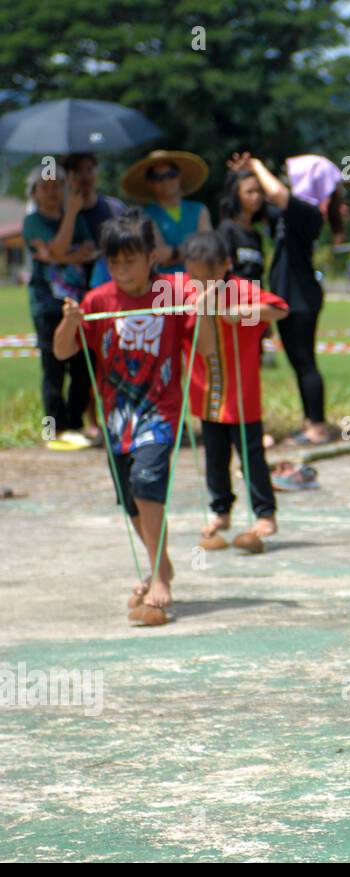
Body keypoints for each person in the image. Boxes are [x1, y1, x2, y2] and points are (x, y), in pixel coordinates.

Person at [52, 211, 195, 616]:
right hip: (116, 416)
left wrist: (206, 308)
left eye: (129, 261)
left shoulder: (172, 293)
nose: (121, 270)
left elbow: (205, 332)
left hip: (160, 411)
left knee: (147, 482)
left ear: (152, 257)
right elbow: (64, 350)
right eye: (113, 262)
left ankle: (160, 576)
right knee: (130, 498)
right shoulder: (98, 300)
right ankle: (160, 562)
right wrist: (69, 322)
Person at [180, 232, 289, 550]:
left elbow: (280, 309)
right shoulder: (185, 294)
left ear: (227, 265)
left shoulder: (242, 291)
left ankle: (265, 514)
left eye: (209, 276)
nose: (202, 283)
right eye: (195, 276)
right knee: (215, 457)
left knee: (251, 457)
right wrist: (200, 310)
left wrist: (241, 313)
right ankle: (221, 511)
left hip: (242, 397)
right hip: (206, 394)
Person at [231, 152, 347, 445]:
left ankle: (317, 426)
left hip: (302, 299)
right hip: (291, 298)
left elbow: (277, 194)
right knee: (299, 362)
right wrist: (242, 180)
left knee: (306, 362)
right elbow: (256, 204)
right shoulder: (290, 213)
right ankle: (310, 422)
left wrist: (257, 164)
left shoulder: (306, 211)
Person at [23, 164, 98, 447]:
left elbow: (87, 250)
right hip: (47, 306)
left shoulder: (75, 218)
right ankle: (50, 428)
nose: (53, 192)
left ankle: (74, 426)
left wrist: (58, 254)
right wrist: (65, 251)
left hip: (78, 305)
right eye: (46, 187)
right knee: (52, 369)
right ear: (35, 192)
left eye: (58, 186)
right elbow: (56, 249)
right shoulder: (33, 222)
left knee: (81, 367)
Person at [216, 164, 274, 368]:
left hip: (254, 307)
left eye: (259, 191)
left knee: (252, 364)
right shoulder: (227, 230)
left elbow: (260, 274)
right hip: (234, 308)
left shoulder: (256, 234)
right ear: (236, 195)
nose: (256, 197)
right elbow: (221, 274)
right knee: (233, 366)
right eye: (250, 191)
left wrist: (265, 317)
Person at [120, 149, 212, 273]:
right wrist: (194, 250)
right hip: (163, 286)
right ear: (150, 183)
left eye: (171, 174)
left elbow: (209, 249)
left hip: (199, 282)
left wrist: (173, 253)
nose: (166, 180)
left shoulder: (200, 210)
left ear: (179, 176)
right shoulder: (144, 216)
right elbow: (160, 256)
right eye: (158, 177)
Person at [64, 152, 127, 289]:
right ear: (67, 176)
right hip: (72, 291)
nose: (85, 176)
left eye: (89, 169)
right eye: (78, 171)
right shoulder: (59, 214)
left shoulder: (115, 208)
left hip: (112, 286)